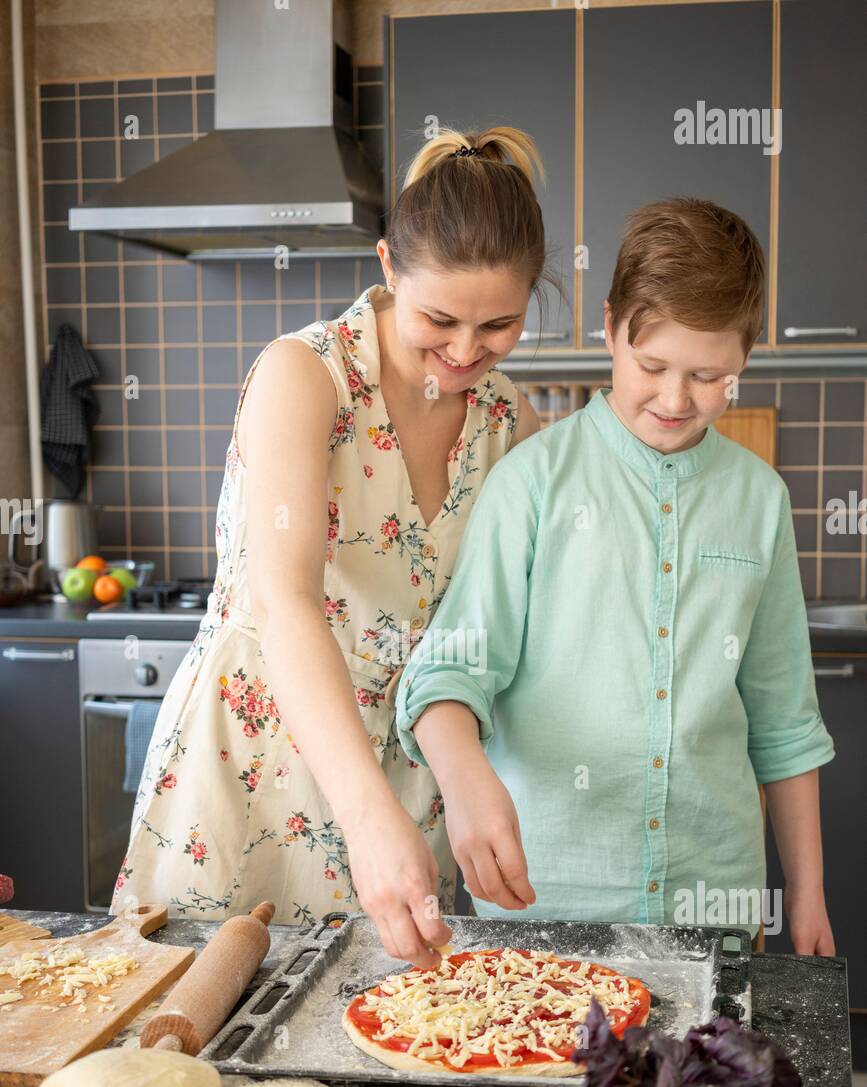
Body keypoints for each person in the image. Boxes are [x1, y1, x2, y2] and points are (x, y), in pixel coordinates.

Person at [111, 127, 553, 967]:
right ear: (388, 268)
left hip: (408, 775)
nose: (465, 353)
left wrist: (463, 775)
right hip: (261, 757)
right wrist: (365, 815)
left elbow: (486, 627)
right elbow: (284, 601)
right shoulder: (303, 375)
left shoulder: (508, 422)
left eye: (499, 323)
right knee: (192, 1038)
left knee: (374, 1051)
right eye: (438, 320)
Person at [394, 198, 836, 956]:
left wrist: (806, 896)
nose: (675, 399)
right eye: (652, 366)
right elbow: (445, 678)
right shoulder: (532, 481)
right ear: (609, 328)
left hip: (716, 910)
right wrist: (464, 785)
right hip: (545, 910)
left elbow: (783, 723)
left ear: (744, 360)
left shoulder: (759, 500)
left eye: (708, 376)